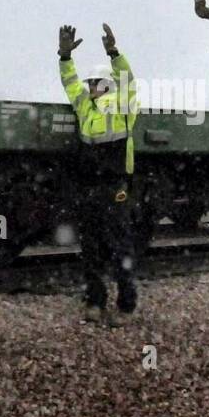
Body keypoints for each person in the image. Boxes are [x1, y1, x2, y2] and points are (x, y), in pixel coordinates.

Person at [57, 23, 140, 327]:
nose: (91, 86)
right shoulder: (85, 109)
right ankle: (94, 302)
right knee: (91, 247)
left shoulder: (122, 105)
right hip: (90, 188)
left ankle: (127, 307)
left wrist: (114, 53)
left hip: (115, 186)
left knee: (119, 246)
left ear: (108, 84)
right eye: (90, 82)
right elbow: (70, 83)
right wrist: (65, 56)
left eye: (96, 82)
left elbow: (129, 81)